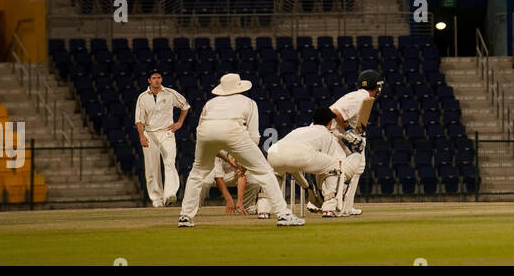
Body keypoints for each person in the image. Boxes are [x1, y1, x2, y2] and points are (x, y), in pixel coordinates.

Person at [177, 73, 303, 227]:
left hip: (205, 132)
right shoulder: (248, 102)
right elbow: (254, 136)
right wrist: (245, 159)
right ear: (239, 87)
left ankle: (185, 216)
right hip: (233, 130)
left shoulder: (210, 103)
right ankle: (283, 214)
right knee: (265, 171)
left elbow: (201, 125)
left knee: (197, 172)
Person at [256, 108, 352, 219]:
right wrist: (319, 194)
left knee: (274, 175)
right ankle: (329, 207)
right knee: (335, 165)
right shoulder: (326, 135)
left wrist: (307, 186)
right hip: (299, 156)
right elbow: (324, 169)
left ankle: (263, 210)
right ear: (330, 122)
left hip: (273, 153)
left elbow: (292, 166)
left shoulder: (299, 130)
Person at [326, 70, 383, 213]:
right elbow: (335, 113)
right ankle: (331, 203)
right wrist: (349, 131)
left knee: (359, 167)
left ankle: (346, 206)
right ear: (375, 86)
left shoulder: (363, 98)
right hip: (331, 135)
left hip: (338, 135)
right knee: (343, 169)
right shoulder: (358, 97)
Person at [134, 70, 189, 208]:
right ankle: (156, 198)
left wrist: (180, 122)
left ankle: (170, 194)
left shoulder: (170, 93)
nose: (157, 80)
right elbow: (139, 119)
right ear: (149, 80)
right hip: (149, 133)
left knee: (170, 161)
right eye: (154, 78)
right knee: (152, 167)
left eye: (159, 77)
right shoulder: (142, 97)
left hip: (167, 132)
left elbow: (185, 105)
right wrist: (141, 136)